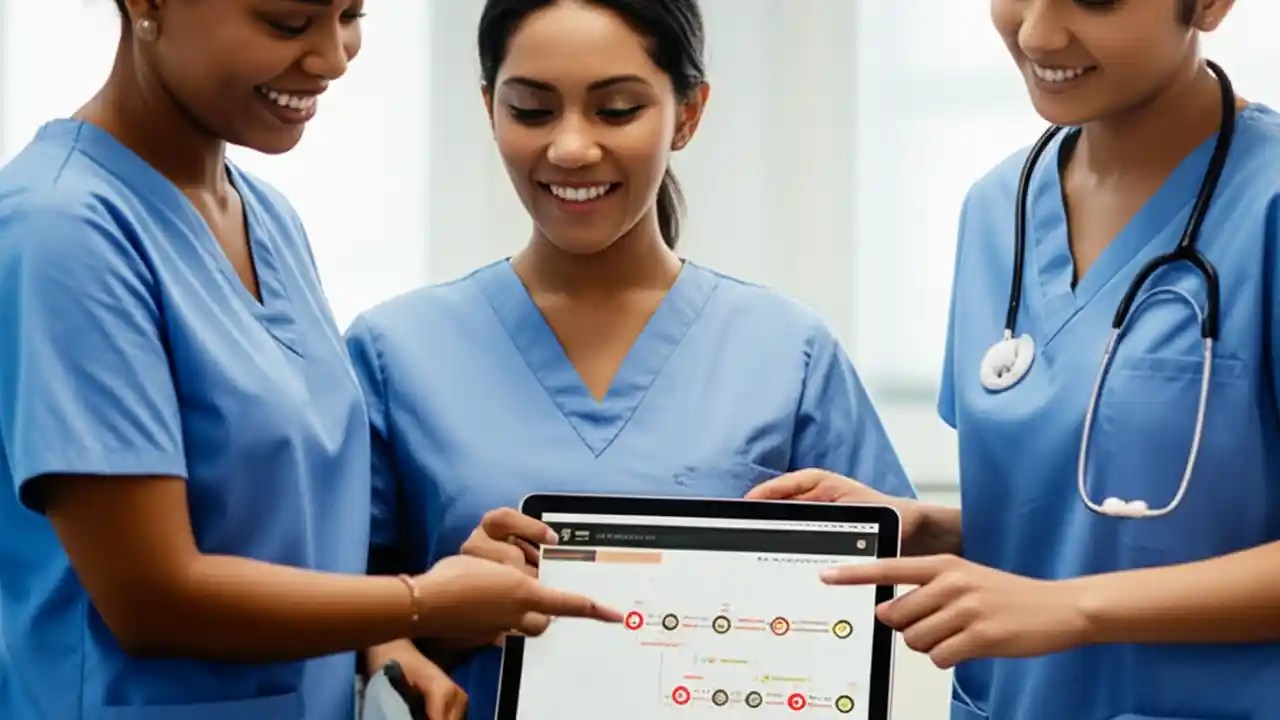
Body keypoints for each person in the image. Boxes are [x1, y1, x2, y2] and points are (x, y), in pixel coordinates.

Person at [0, 2, 619, 719]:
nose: (333, 57)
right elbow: (150, 597)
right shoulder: (62, 232)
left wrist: (380, 639)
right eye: (288, 23)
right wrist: (418, 603)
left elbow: (285, 532)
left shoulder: (264, 216)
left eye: (350, 15)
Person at [341, 0, 917, 717]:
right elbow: (333, 602)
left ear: (688, 113)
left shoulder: (787, 351)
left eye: (616, 110)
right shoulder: (397, 352)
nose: (571, 148)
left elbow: (884, 592)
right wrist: (415, 624)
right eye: (531, 110)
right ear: (490, 109)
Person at [750, 0, 1280, 717]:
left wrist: (1073, 608)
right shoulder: (1001, 208)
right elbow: (1113, 511)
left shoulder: (1267, 204)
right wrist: (934, 526)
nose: (1037, 32)